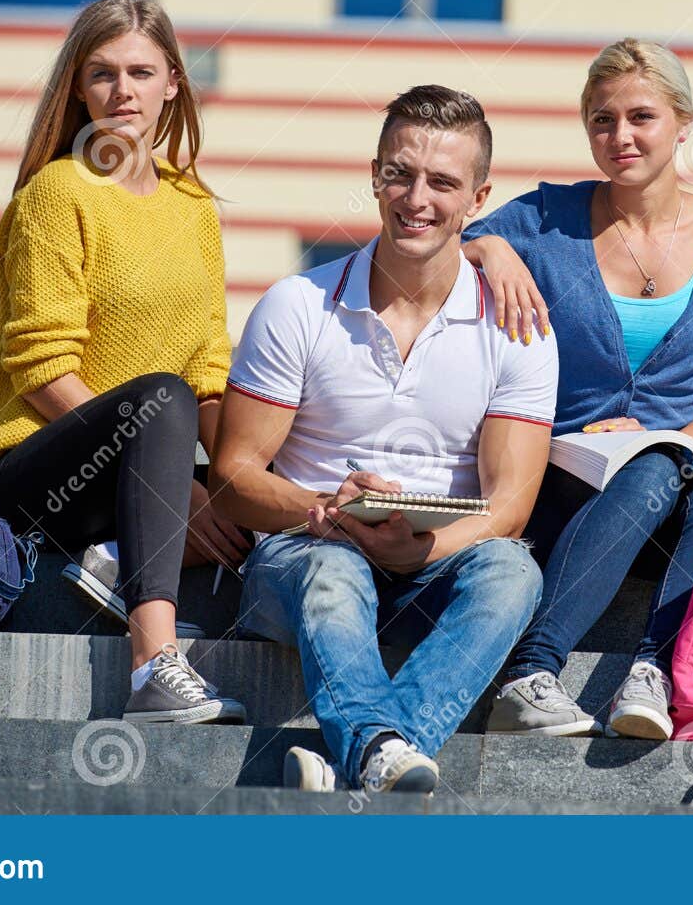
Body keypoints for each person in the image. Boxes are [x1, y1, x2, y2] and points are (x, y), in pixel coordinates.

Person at [210, 86, 558, 795]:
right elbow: (232, 477)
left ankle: (361, 756)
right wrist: (326, 512)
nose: (416, 198)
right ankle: (377, 749)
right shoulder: (297, 305)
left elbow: (510, 508)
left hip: (437, 559)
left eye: (442, 182)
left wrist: (422, 545)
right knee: (334, 570)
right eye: (399, 174)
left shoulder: (517, 326)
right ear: (374, 176)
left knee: (514, 572)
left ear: (477, 196)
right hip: (305, 553)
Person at [463, 39, 693, 740]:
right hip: (562, 476)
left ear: (683, 124)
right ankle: (529, 672)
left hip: (674, 476)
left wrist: (683, 443)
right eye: (602, 120)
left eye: (641, 117)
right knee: (663, 470)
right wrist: (489, 247)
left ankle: (650, 672)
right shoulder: (544, 218)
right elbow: (424, 247)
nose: (620, 136)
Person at [0, 0, 246, 724]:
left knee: (236, 465)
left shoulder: (193, 206)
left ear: (173, 84)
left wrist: (233, 483)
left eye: (142, 73)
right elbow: (40, 363)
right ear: (79, 89)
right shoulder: (59, 192)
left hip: (143, 463)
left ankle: (122, 553)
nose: (123, 91)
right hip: (32, 477)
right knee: (159, 401)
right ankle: (154, 664)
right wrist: (170, 490)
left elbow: (211, 364)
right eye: (103, 74)